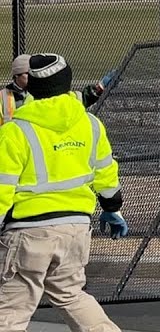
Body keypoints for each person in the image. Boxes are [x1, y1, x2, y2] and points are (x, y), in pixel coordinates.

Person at [0, 53, 127, 332]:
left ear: (30, 86)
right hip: (76, 229)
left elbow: (2, 189)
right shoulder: (90, 124)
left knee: (11, 311)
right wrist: (112, 207)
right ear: (68, 83)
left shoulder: (15, 131)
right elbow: (106, 174)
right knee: (72, 296)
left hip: (28, 232)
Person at [3, 55, 30, 125]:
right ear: (16, 75)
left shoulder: (40, 92)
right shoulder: (2, 96)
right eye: (27, 73)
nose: (31, 76)